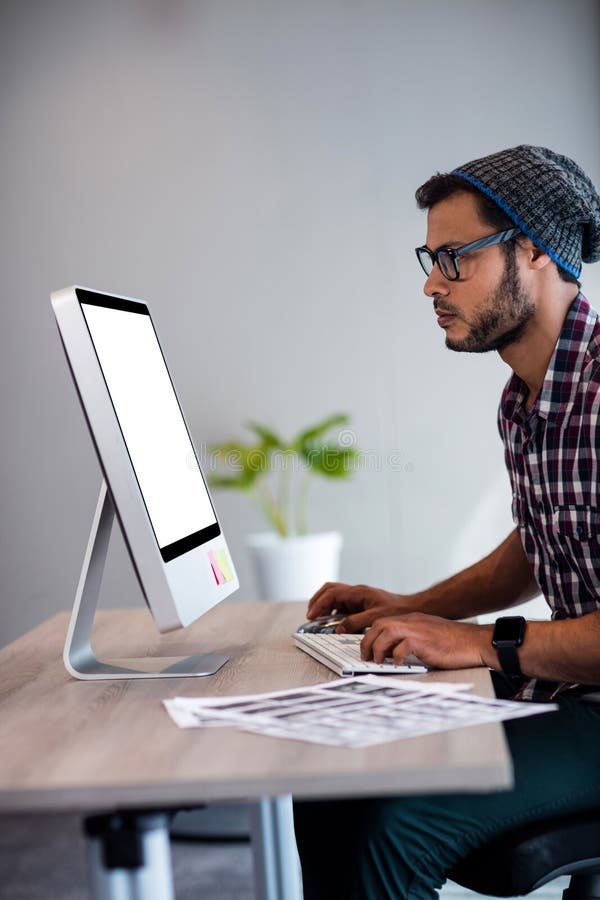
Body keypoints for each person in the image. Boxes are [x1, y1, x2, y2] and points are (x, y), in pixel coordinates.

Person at [293, 145, 600, 900]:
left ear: (532, 248)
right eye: (431, 258)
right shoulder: (523, 398)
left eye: (455, 257)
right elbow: (537, 545)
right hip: (567, 691)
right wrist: (410, 606)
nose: (432, 283)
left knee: (395, 828)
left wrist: (478, 642)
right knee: (327, 780)